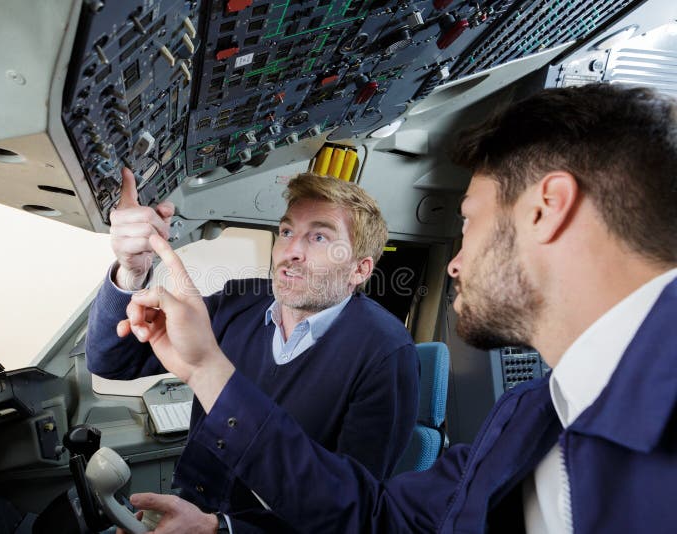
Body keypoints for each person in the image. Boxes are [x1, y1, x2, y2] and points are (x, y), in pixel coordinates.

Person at [120, 83, 677, 533]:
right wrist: (205, 370)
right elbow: (375, 516)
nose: (454, 263)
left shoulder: (386, 350)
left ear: (547, 208)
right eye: (287, 233)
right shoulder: (530, 413)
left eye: (468, 221)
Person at [85, 172, 420, 532]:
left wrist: (220, 529)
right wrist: (132, 274)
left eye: (319, 237)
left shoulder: (386, 352)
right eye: (287, 232)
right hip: (186, 506)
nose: (291, 251)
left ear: (359, 269)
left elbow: (351, 516)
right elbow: (110, 360)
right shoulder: (239, 300)